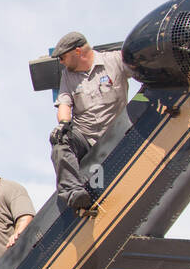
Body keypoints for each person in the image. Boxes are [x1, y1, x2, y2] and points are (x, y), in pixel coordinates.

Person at [48, 31, 135, 211]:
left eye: (63, 57)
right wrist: (63, 124)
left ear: (78, 52)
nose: (61, 62)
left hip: (116, 134)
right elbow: (64, 103)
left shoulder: (115, 61)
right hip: (85, 137)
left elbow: (140, 70)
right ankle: (73, 192)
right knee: (60, 141)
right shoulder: (67, 76)